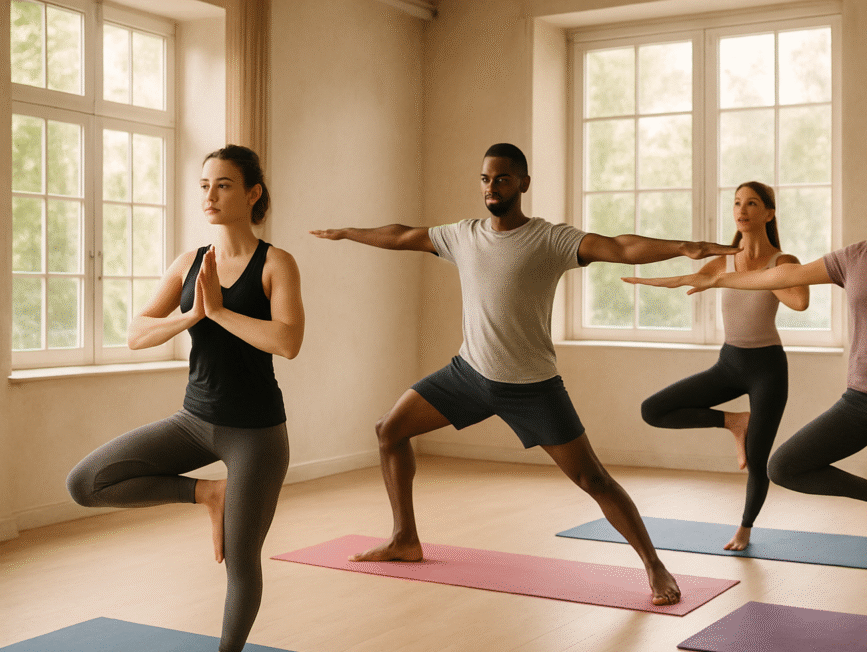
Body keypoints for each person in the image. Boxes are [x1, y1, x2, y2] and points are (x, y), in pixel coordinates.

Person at [625, 154, 867, 652]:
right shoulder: (852, 257)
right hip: (860, 401)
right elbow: (775, 279)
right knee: (784, 464)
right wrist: (716, 279)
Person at [310, 143, 738, 606]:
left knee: (594, 480)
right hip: (468, 374)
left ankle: (655, 566)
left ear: (523, 184)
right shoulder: (462, 235)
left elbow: (617, 246)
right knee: (390, 430)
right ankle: (404, 539)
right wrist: (349, 232)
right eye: (486, 179)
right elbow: (401, 235)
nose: (492, 187)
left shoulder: (549, 240)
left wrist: (684, 248)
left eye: (503, 178)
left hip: (532, 389)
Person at [67, 145, 304, 652]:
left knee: (242, 562)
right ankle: (208, 493)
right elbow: (134, 335)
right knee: (86, 482)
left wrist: (219, 312)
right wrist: (193, 315)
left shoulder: (276, 263)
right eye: (203, 186)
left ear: (252, 193)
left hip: (256, 435)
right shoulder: (190, 262)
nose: (209, 196)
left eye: (222, 185)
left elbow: (288, 341)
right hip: (194, 421)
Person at [639, 181, 809, 551]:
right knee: (652, 409)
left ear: (769, 213)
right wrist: (653, 280)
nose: (741, 209)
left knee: (759, 459)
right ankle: (733, 421)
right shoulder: (722, 261)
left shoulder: (784, 263)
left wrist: (760, 277)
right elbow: (690, 279)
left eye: (751, 203)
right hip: (729, 363)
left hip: (768, 369)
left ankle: (745, 529)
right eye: (736, 203)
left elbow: (799, 301)